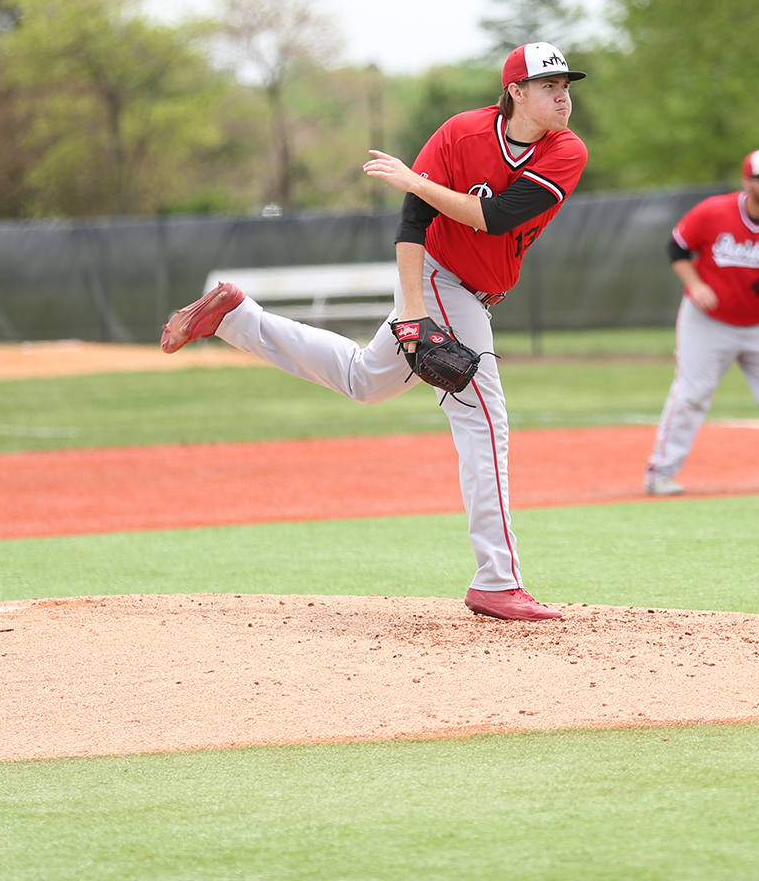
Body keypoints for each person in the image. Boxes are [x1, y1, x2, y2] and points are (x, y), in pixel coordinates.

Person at [158, 42, 589, 621]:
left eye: (566, 85)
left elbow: (498, 217)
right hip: (441, 278)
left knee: (366, 380)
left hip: (475, 290)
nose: (563, 95)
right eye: (549, 86)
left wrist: (415, 181)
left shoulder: (566, 149)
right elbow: (415, 220)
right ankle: (496, 579)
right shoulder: (462, 133)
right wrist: (414, 308)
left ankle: (236, 317)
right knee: (484, 418)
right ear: (516, 92)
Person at [643, 149, 759, 496]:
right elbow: (676, 249)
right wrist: (695, 285)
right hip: (707, 322)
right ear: (747, 181)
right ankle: (660, 473)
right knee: (692, 393)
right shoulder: (714, 212)